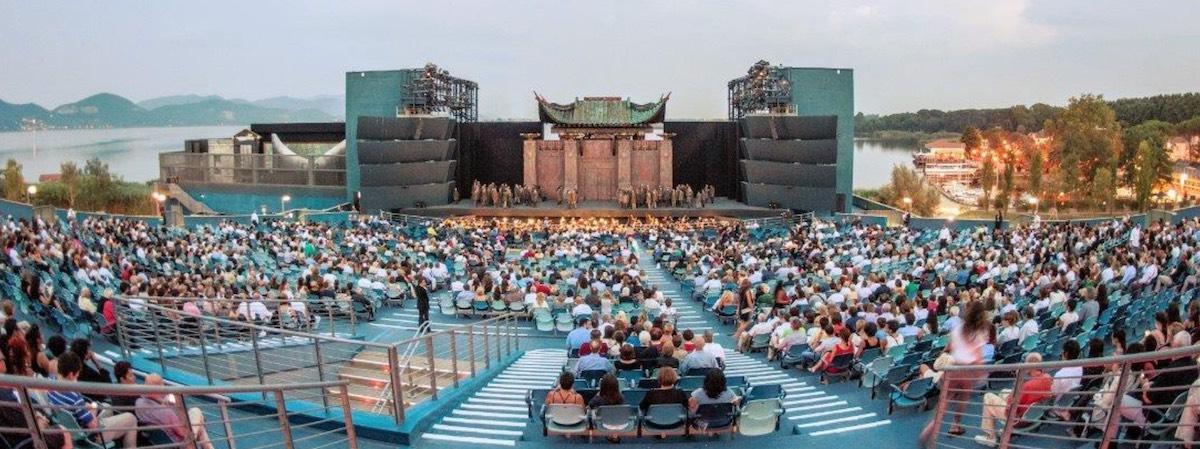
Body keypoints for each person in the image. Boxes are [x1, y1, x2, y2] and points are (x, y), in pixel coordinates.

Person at [920, 300, 990, 445]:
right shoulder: (980, 332)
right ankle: (955, 425)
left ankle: (930, 428)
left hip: (953, 368)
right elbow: (977, 355)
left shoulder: (958, 328)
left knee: (944, 401)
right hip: (967, 371)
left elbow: (949, 347)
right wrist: (981, 373)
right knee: (962, 399)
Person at [48, 353, 138, 448]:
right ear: (71, 375)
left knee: (107, 407)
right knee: (131, 418)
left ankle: (117, 436)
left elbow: (74, 408)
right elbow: (93, 425)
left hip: (72, 426)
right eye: (77, 375)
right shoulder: (74, 397)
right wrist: (93, 409)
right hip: (90, 435)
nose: (77, 378)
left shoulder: (50, 382)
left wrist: (84, 407)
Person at [973, 352, 1053, 447]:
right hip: (1033, 415)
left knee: (988, 396)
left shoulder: (1026, 386)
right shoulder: (1047, 377)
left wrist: (1017, 381)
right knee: (1003, 391)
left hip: (1017, 419)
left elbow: (1010, 408)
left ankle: (991, 437)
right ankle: (1003, 430)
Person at [135, 374, 216, 449]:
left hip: (160, 442)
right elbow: (183, 433)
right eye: (162, 384)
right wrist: (177, 407)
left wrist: (162, 402)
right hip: (181, 444)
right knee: (196, 412)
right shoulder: (166, 412)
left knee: (199, 424)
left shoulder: (138, 403)